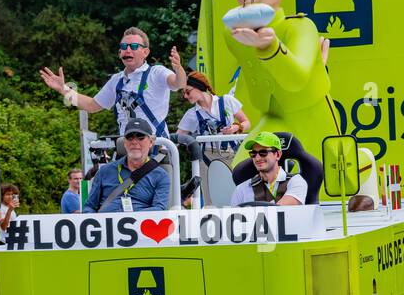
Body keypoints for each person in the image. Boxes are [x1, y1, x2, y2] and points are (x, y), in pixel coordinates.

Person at [217, 0, 338, 161]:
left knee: (335, 178)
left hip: (313, 119)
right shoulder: (233, 34)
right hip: (273, 119)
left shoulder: (300, 26)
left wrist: (269, 47)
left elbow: (296, 80)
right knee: (242, 171)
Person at [40, 29, 186, 138]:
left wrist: (178, 68)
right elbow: (91, 106)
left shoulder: (157, 73)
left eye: (134, 46)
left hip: (156, 147)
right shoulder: (117, 80)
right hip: (127, 148)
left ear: (145, 52)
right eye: (124, 47)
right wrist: (63, 89)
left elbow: (179, 84)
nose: (127, 50)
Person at [84, 117, 171, 213]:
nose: (134, 142)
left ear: (151, 142)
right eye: (130, 137)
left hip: (140, 226)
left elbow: (159, 209)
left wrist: (128, 218)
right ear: (124, 143)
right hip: (106, 225)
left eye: (140, 137)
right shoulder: (104, 171)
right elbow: (89, 207)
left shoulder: (160, 175)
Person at [230, 132, 308, 206]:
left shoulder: (296, 181)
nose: (257, 158)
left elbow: (279, 210)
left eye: (263, 153)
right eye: (253, 153)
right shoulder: (241, 189)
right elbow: (234, 217)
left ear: (277, 155)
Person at [174, 70, 250, 141]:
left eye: (187, 92)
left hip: (232, 152)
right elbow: (176, 138)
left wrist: (236, 127)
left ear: (198, 87)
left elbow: (247, 123)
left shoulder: (227, 100)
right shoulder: (191, 114)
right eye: (184, 93)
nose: (185, 96)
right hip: (207, 154)